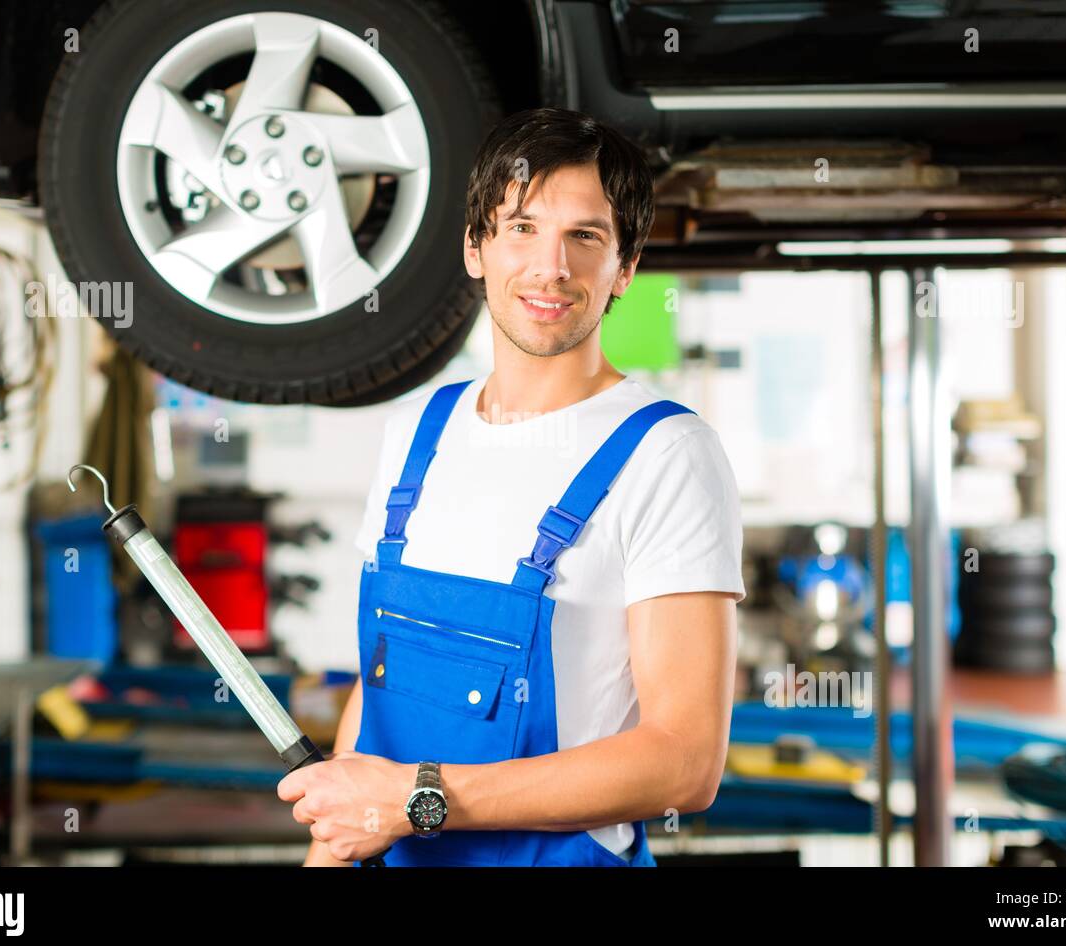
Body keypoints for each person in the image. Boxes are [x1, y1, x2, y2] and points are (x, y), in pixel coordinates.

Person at [278, 106, 746, 866]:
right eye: (522, 227)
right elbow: (382, 683)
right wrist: (331, 856)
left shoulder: (668, 453)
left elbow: (685, 763)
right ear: (476, 247)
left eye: (585, 236)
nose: (549, 267)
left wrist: (415, 802)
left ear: (624, 268)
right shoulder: (417, 431)